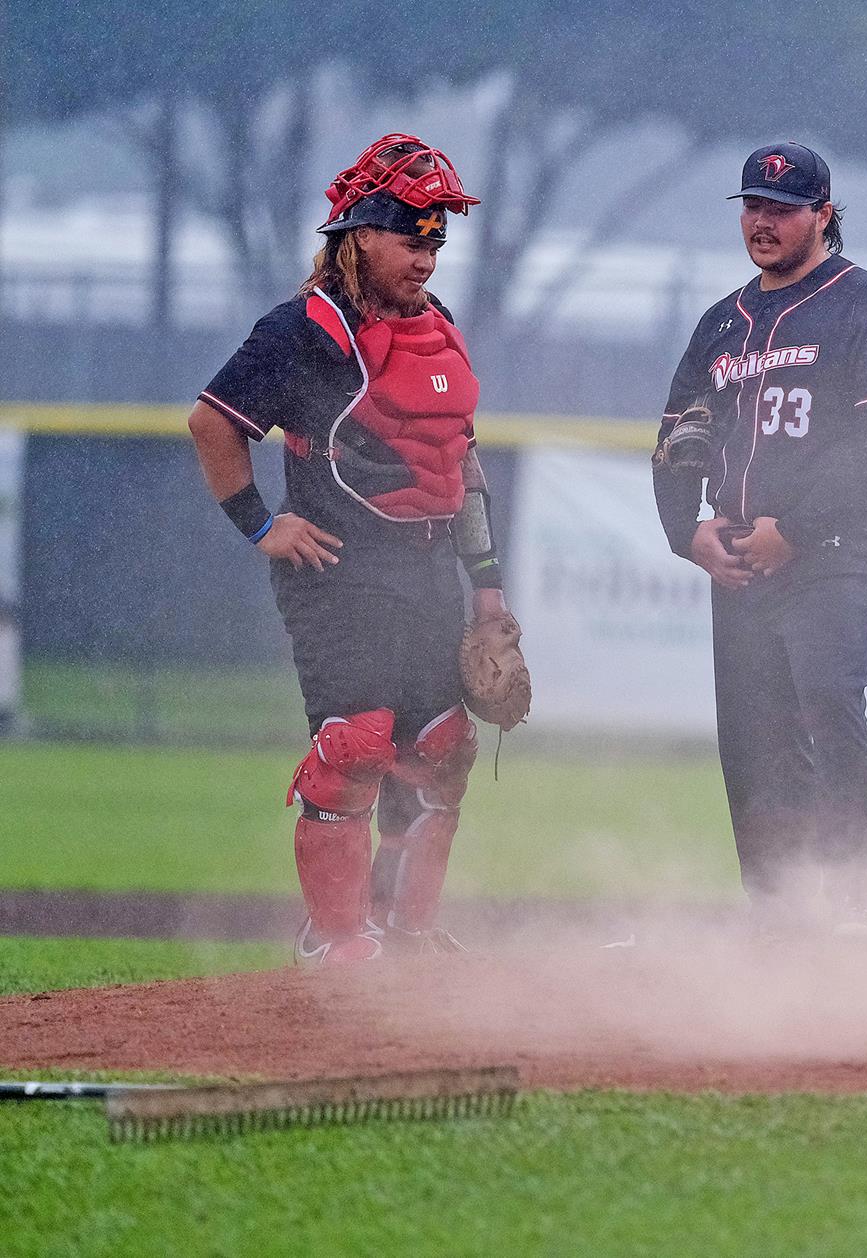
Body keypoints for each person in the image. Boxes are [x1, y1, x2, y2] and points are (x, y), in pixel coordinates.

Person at [187, 134, 512, 964]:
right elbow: (214, 424)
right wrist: (262, 525)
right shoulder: (303, 328)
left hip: (429, 568)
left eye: (438, 239)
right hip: (339, 574)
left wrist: (486, 587)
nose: (429, 256)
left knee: (442, 748)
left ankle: (407, 932)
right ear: (361, 235)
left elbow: (458, 462)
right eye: (413, 236)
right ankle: (335, 941)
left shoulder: (436, 325)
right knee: (358, 746)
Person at [651, 142, 867, 943]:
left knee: (828, 704)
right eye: (752, 207)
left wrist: (795, 530)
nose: (762, 222)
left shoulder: (866, 305)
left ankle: (860, 901)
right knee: (753, 740)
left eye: (782, 208)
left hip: (835, 553)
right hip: (737, 563)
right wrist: (684, 531)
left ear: (823, 215)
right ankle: (780, 914)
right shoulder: (720, 324)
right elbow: (681, 433)